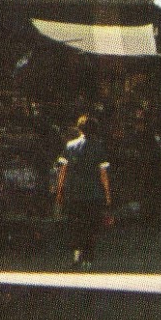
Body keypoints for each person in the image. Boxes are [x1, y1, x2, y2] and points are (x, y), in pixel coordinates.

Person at [56, 115, 113, 268]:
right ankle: (88, 259)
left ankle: (76, 256)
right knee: (91, 226)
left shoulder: (70, 146)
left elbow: (63, 171)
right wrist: (107, 195)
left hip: (74, 193)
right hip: (94, 194)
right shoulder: (99, 147)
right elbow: (103, 175)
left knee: (75, 225)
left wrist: (59, 190)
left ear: (79, 129)